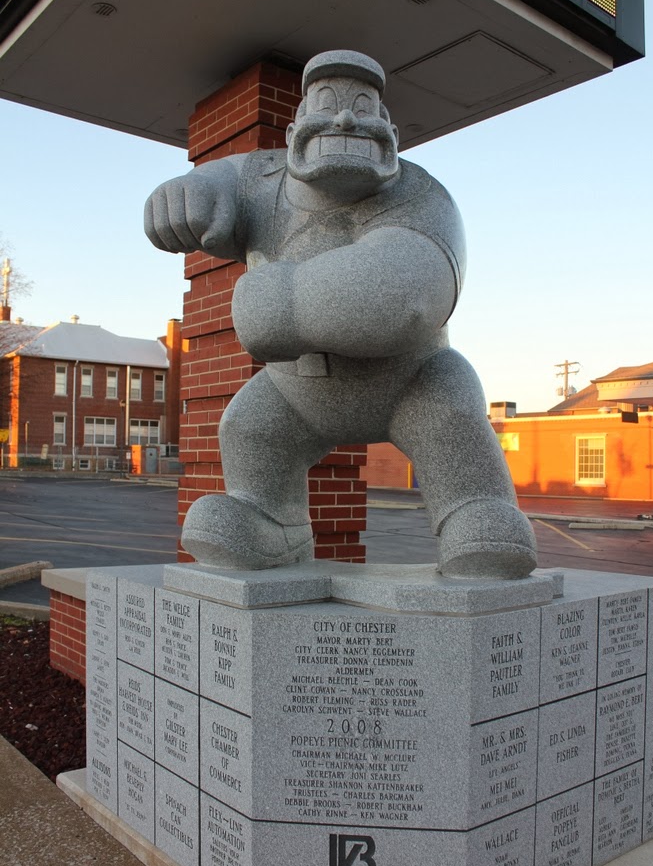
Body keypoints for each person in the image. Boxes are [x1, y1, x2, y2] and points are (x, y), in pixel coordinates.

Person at [144, 49, 536, 578]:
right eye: (325, 103)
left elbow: (405, 293)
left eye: (363, 105)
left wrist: (282, 304)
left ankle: (474, 509)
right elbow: (216, 183)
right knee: (250, 424)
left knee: (450, 412)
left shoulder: (420, 194)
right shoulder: (262, 181)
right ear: (295, 128)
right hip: (295, 394)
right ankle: (267, 519)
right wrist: (183, 199)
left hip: (409, 383)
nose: (345, 118)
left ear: (390, 130)